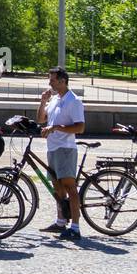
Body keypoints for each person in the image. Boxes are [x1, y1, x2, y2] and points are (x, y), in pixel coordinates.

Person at [37, 67, 86, 240]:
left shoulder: (73, 100)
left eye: (52, 80)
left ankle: (75, 227)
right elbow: (41, 120)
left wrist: (56, 128)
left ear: (62, 81)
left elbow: (80, 127)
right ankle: (60, 221)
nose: (49, 83)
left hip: (65, 148)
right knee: (57, 188)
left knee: (70, 188)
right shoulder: (55, 99)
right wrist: (43, 102)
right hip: (52, 148)